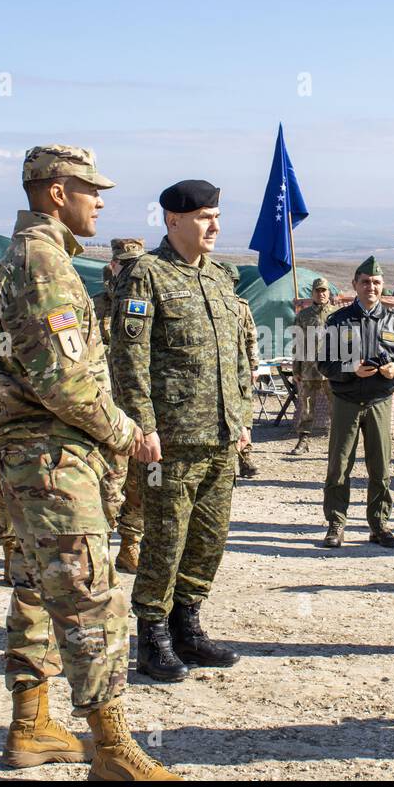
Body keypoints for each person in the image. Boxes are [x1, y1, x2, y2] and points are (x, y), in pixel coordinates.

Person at [0, 144, 175, 779]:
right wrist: (126, 432)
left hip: (26, 457)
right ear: (57, 192)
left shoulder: (19, 259)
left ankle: (31, 725)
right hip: (52, 460)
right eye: (92, 190)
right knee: (91, 599)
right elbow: (64, 383)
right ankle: (114, 751)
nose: (100, 202)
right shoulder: (43, 265)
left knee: (36, 589)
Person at [111, 179, 251, 683]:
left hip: (219, 435)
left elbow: (236, 356)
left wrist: (242, 418)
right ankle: (151, 634)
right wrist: (142, 426)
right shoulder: (145, 275)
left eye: (217, 215)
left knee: (209, 537)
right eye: (204, 217)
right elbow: (129, 360)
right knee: (165, 538)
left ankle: (187, 623)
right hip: (170, 439)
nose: (215, 225)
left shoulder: (218, 278)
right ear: (173, 221)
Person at [320, 257, 394, 549]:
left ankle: (379, 524)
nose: (370, 287)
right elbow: (324, 363)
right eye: (365, 282)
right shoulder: (338, 320)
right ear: (355, 285)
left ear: (382, 286)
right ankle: (336, 524)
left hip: (380, 401)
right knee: (339, 465)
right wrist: (351, 368)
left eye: (375, 282)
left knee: (380, 466)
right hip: (346, 400)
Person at [96, 238, 147, 574]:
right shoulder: (94, 306)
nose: (129, 270)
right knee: (109, 484)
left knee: (142, 483)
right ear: (112, 266)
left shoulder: (148, 303)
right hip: (106, 412)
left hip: (142, 411)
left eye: (135, 264)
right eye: (123, 264)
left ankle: (131, 546)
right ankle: (98, 549)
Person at [220, 261, 260, 478]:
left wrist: (253, 366)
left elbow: (251, 337)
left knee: (244, 412)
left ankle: (245, 458)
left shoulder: (241, 307)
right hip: (218, 369)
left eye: (233, 282)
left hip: (240, 369)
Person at [288, 278, 336, 456]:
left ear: (329, 293)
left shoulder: (337, 314)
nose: (321, 293)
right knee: (307, 406)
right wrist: (296, 369)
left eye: (324, 290)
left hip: (332, 370)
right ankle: (303, 440)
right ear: (312, 293)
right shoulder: (304, 315)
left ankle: (336, 442)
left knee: (336, 407)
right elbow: (297, 344)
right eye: (318, 290)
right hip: (309, 368)